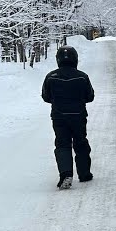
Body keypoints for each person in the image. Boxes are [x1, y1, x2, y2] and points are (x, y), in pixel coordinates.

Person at [41, 45, 95, 189]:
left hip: (59, 117)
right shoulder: (82, 76)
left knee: (62, 144)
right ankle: (84, 173)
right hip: (78, 115)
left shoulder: (51, 76)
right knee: (81, 143)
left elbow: (46, 97)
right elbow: (90, 97)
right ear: (75, 59)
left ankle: (66, 173)